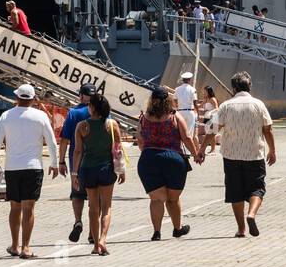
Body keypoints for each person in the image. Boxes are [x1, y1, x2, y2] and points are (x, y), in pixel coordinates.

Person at [0, 83, 60, 259]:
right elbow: (51, 142)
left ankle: (14, 245)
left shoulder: (6, 116)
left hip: (12, 167)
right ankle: (26, 247)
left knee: (14, 207)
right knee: (29, 207)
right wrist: (55, 163)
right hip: (33, 167)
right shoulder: (41, 116)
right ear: (34, 100)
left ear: (16, 98)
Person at [198, 71, 274, 238]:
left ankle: (241, 229)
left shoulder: (226, 106)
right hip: (254, 154)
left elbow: (212, 130)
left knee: (235, 192)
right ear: (250, 86)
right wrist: (272, 150)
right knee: (257, 188)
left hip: (231, 156)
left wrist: (201, 149)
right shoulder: (258, 104)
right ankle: (252, 214)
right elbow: (267, 129)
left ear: (233, 88)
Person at [136, 87, 200, 241]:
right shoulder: (174, 116)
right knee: (172, 198)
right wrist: (196, 154)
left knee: (156, 199)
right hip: (173, 159)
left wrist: (148, 151)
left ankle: (156, 232)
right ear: (169, 101)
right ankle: (177, 228)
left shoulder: (143, 118)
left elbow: (140, 139)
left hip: (148, 159)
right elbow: (186, 137)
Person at [71, 93, 127, 255]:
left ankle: (96, 245)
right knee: (106, 207)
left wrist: (74, 174)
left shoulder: (82, 126)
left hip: (87, 169)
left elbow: (78, 151)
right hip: (106, 168)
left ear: (92, 107)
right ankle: (103, 238)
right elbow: (117, 150)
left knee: (93, 208)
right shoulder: (112, 125)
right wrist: (121, 170)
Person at [57, 84, 95, 244]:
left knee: (77, 195)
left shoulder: (73, 113)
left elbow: (65, 140)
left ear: (80, 96)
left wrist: (61, 161)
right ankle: (94, 233)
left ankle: (78, 220)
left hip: (77, 163)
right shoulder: (103, 112)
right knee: (95, 197)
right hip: (98, 161)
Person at [174, 71, 198, 136]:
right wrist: (197, 112)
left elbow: (175, 100)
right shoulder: (192, 89)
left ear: (183, 80)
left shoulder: (177, 89)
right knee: (189, 133)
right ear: (189, 80)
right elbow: (195, 102)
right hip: (190, 112)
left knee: (179, 132)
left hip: (180, 112)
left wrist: (177, 107)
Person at [197, 85, 219, 150]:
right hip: (206, 117)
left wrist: (210, 112)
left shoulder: (213, 99)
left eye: (205, 91)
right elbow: (199, 106)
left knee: (211, 133)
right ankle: (210, 149)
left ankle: (213, 149)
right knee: (207, 133)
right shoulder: (206, 99)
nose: (203, 93)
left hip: (213, 117)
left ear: (208, 91)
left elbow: (217, 109)